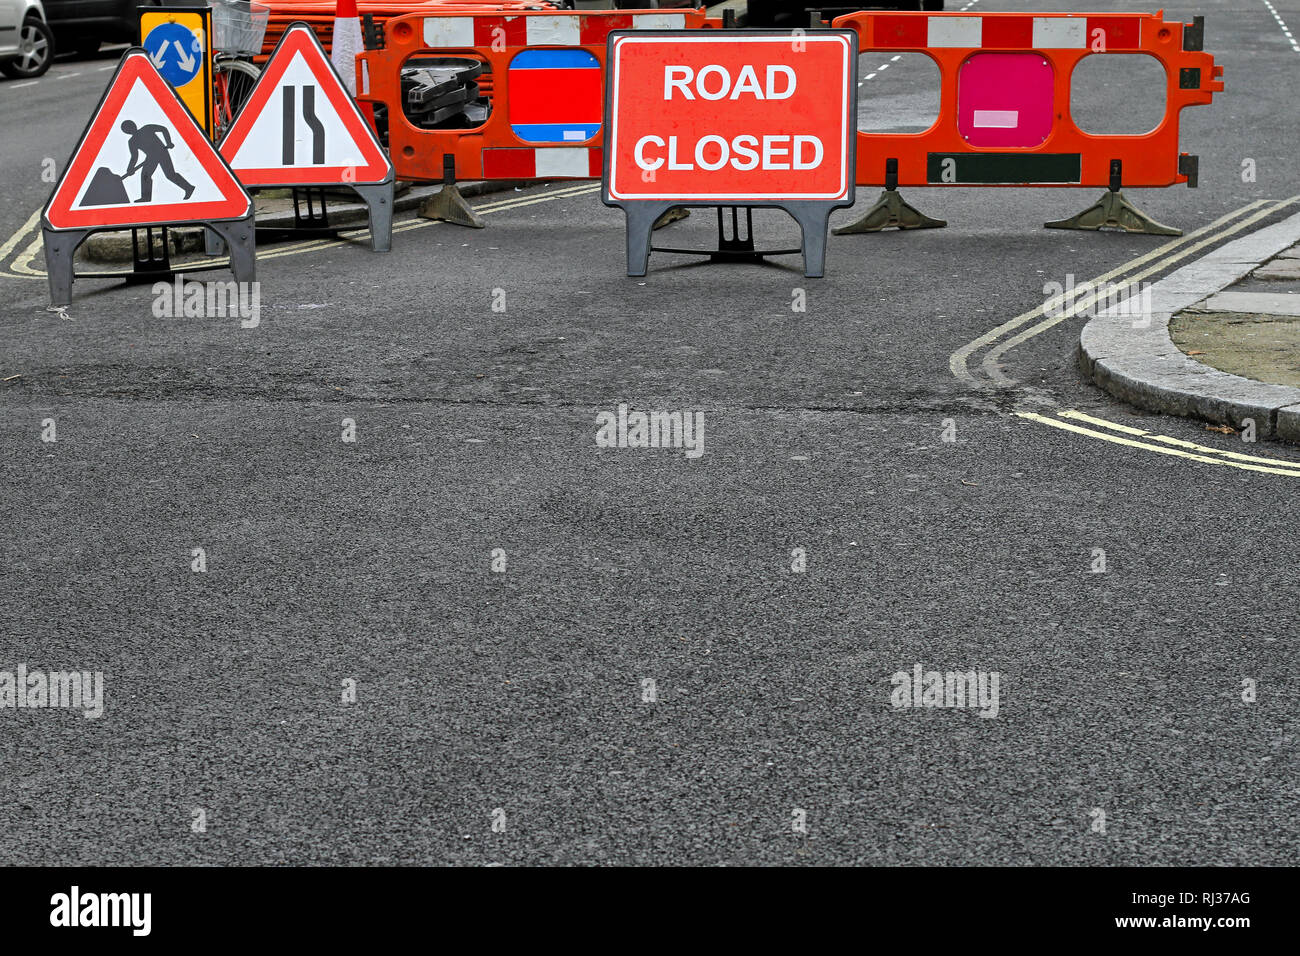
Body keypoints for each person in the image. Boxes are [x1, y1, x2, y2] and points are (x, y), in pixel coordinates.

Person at [119, 120, 195, 202]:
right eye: (127, 129)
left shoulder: (146, 128)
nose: (130, 129)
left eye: (129, 127)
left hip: (162, 152)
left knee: (170, 175)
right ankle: (146, 197)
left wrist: (168, 142)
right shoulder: (132, 141)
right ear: (126, 132)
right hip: (151, 157)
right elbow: (134, 156)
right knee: (145, 175)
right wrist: (130, 168)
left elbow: (163, 129)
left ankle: (189, 188)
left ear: (134, 125)